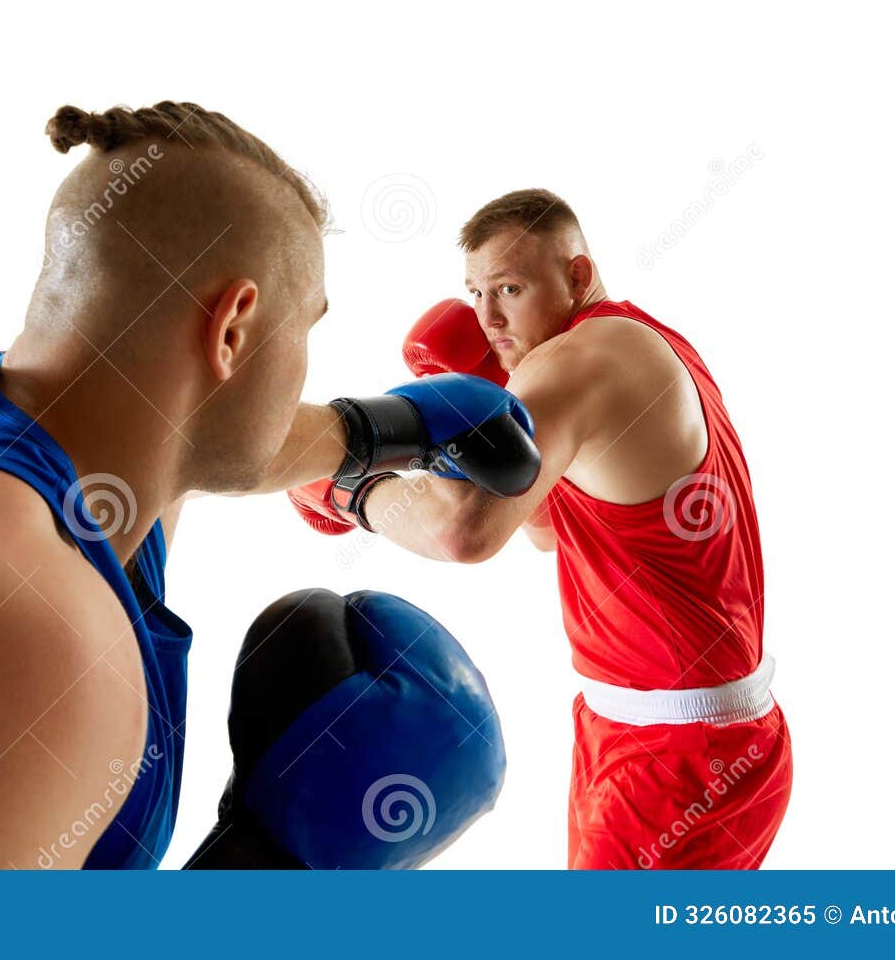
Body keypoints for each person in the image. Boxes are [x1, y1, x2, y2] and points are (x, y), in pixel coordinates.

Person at [0, 101, 528, 870]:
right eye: (304, 329)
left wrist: (392, 426)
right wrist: (262, 873)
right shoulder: (7, 631)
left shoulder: (45, 430)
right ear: (233, 329)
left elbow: (227, 434)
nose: (304, 367)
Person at [280, 189, 793, 869]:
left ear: (577, 275)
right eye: (474, 294)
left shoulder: (577, 362)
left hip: (677, 753)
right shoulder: (646, 340)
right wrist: (490, 403)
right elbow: (547, 528)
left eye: (509, 289)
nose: (488, 318)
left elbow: (464, 529)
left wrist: (346, 485)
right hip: (660, 726)